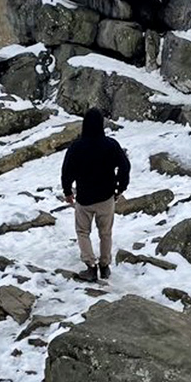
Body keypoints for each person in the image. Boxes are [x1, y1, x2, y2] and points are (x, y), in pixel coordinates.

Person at [61, 107, 130, 282]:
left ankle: (90, 267)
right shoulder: (111, 144)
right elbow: (125, 166)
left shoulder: (76, 147)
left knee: (83, 231)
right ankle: (105, 266)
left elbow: (67, 171)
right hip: (107, 197)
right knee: (105, 232)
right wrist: (121, 187)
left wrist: (68, 191)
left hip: (84, 198)